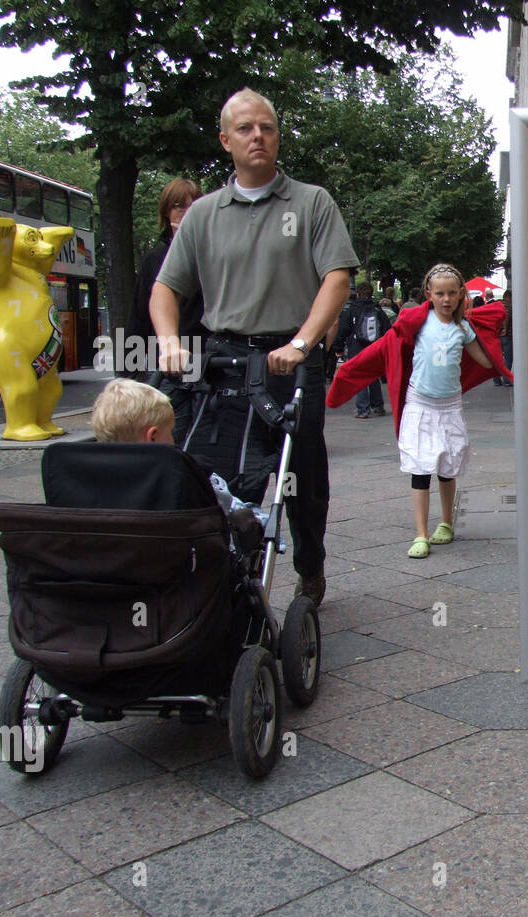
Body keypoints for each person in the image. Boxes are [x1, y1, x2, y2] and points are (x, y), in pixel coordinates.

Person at [151, 88, 358, 606]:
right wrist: (171, 341)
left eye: (266, 127)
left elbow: (336, 279)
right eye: (245, 128)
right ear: (225, 140)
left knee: (304, 475)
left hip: (291, 356)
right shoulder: (202, 214)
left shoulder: (311, 202)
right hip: (226, 359)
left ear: (277, 135)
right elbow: (166, 288)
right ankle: (232, 573)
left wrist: (303, 342)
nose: (257, 136)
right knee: (224, 473)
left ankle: (310, 568)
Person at [326, 263, 512, 558]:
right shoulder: (417, 322)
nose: (447, 299)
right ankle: (421, 534)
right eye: (440, 293)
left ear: (461, 293)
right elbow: (388, 347)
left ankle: (446, 524)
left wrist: (489, 338)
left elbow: (487, 362)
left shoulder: (463, 328)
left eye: (452, 293)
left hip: (449, 406)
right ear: (429, 293)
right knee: (420, 469)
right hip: (420, 405)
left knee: (447, 469)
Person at [89, 378, 264, 523]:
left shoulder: (87, 477)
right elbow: (228, 508)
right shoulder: (189, 473)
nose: (173, 439)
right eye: (171, 432)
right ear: (152, 436)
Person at [124, 178, 204, 381]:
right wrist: (128, 373)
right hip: (165, 361)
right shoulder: (155, 259)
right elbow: (139, 315)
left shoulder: (211, 255)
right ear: (167, 211)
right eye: (178, 206)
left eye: (193, 206)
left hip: (204, 357)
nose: (186, 212)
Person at [329, 281, 387, 416]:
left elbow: (343, 329)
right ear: (371, 293)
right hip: (375, 348)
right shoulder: (378, 310)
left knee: (359, 377)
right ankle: (378, 406)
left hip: (356, 347)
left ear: (358, 294)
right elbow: (387, 330)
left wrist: (338, 347)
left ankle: (362, 409)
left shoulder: (351, 310)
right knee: (373, 375)